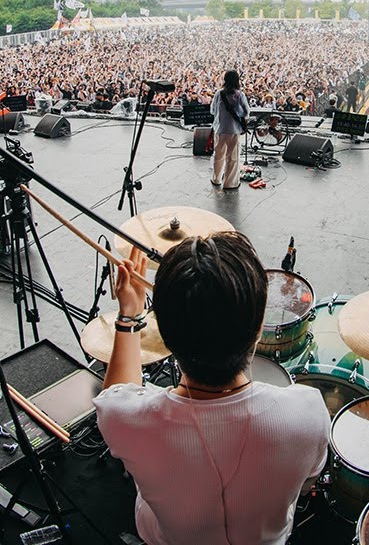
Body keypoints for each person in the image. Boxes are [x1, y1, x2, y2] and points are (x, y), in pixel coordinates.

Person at [94, 232, 331, 545]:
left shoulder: (124, 419)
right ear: (259, 326)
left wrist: (129, 316)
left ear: (164, 334)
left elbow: (115, 396)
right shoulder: (308, 413)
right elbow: (305, 484)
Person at [210, 70, 249, 191]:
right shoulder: (239, 95)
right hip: (233, 130)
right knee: (232, 158)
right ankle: (230, 183)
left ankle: (216, 179)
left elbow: (212, 110)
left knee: (218, 156)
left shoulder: (218, 94)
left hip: (219, 129)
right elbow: (246, 112)